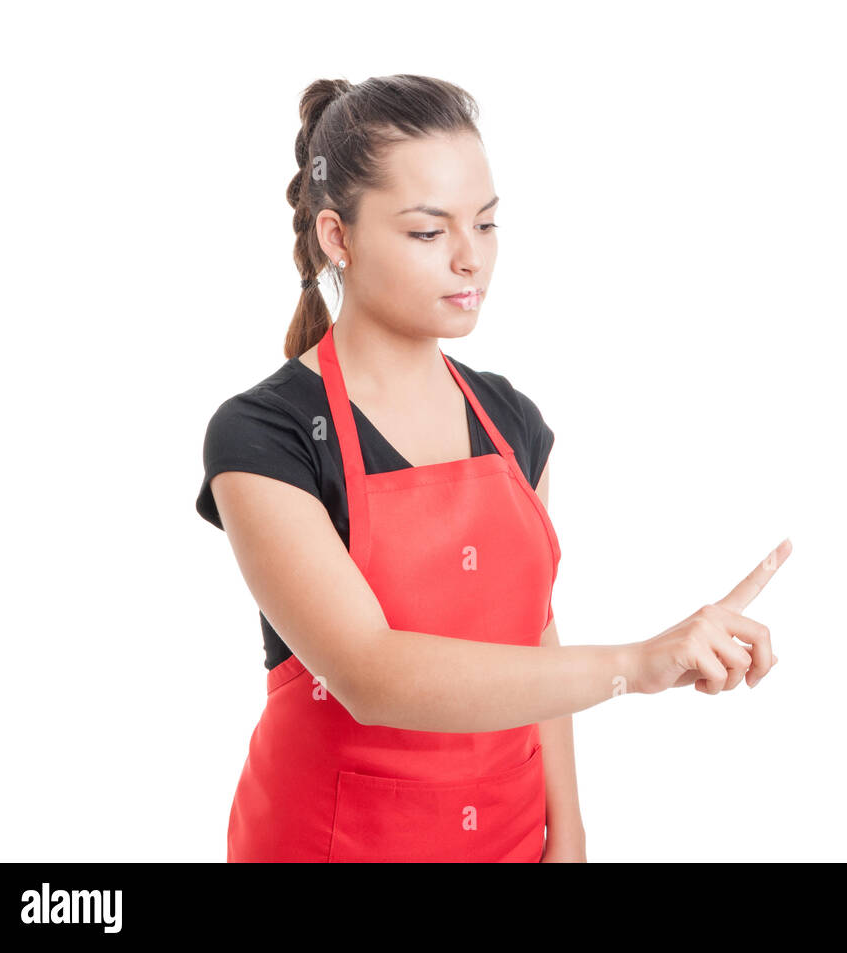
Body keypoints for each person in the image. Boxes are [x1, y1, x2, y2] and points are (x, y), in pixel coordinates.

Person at [195, 73, 789, 863]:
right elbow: (370, 674)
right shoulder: (264, 436)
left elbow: (533, 636)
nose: (470, 258)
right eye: (427, 232)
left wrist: (568, 834)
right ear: (338, 237)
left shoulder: (513, 423)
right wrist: (639, 665)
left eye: (486, 222)